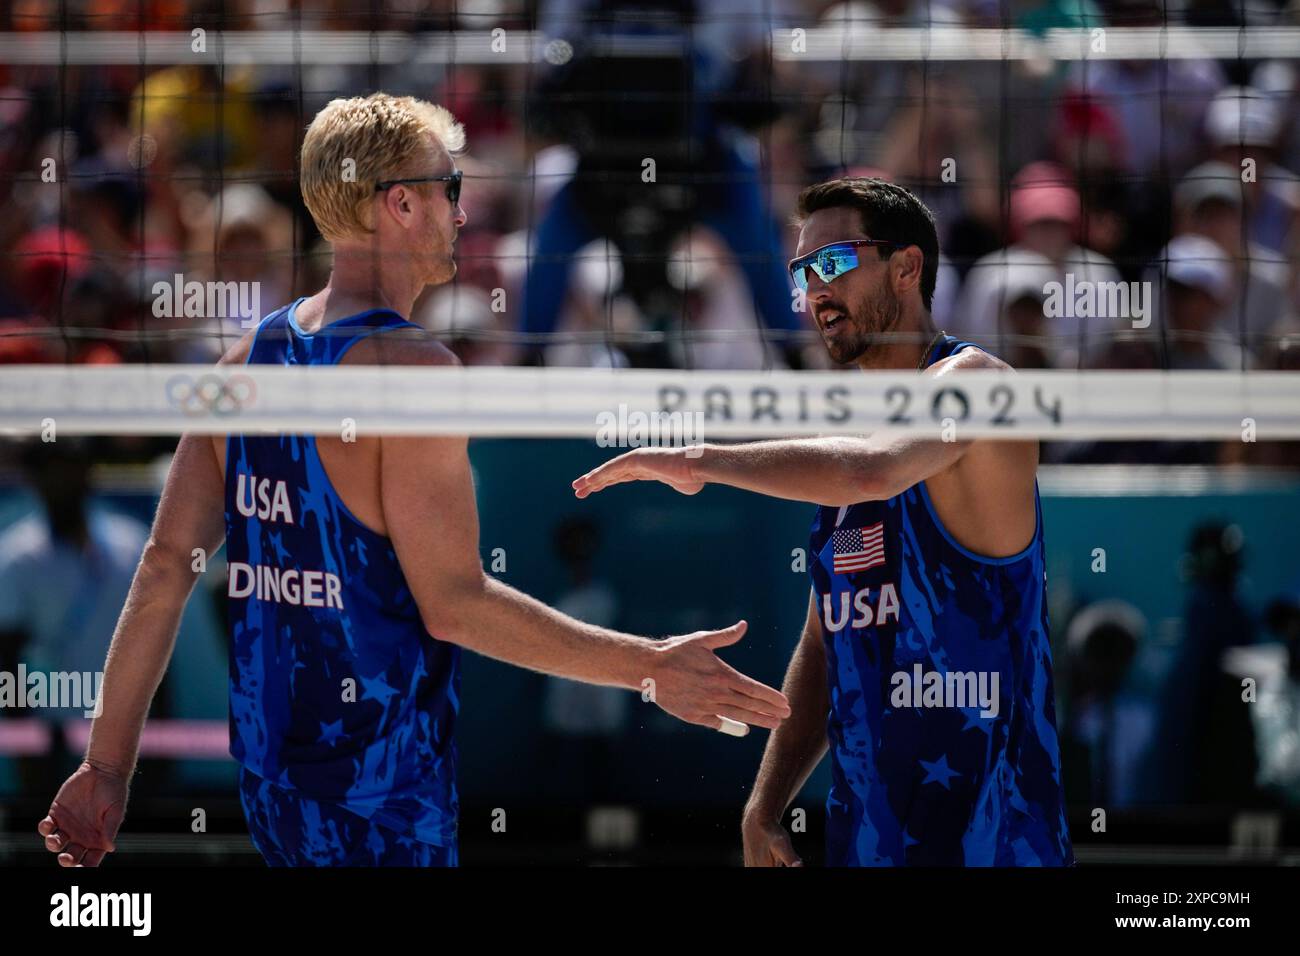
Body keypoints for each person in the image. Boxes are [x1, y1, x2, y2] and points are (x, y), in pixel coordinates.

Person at [37, 93, 789, 869]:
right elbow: (456, 604)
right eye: (449, 188)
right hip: (379, 792)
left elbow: (165, 567)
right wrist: (652, 666)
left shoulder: (246, 360)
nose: (462, 213)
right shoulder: (414, 373)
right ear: (399, 203)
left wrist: (106, 767)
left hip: (273, 787)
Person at [574, 178, 1074, 866]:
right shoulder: (847, 439)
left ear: (906, 268)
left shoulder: (977, 384)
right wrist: (765, 804)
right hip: (866, 839)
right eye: (802, 271)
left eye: (833, 262)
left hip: (993, 841)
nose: (815, 289)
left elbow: (871, 470)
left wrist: (701, 460)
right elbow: (826, 635)